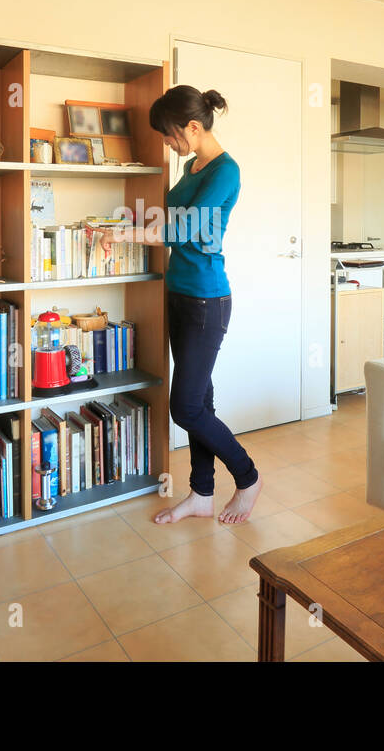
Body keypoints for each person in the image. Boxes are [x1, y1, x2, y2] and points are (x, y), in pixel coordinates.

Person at [140, 85, 261, 526]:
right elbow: (168, 218)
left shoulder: (225, 171)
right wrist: (133, 223)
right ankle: (201, 493)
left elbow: (188, 228)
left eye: (171, 135)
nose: (169, 145)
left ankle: (247, 479)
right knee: (201, 401)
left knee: (186, 407)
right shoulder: (193, 166)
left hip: (208, 300)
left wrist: (130, 234)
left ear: (193, 126)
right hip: (180, 294)